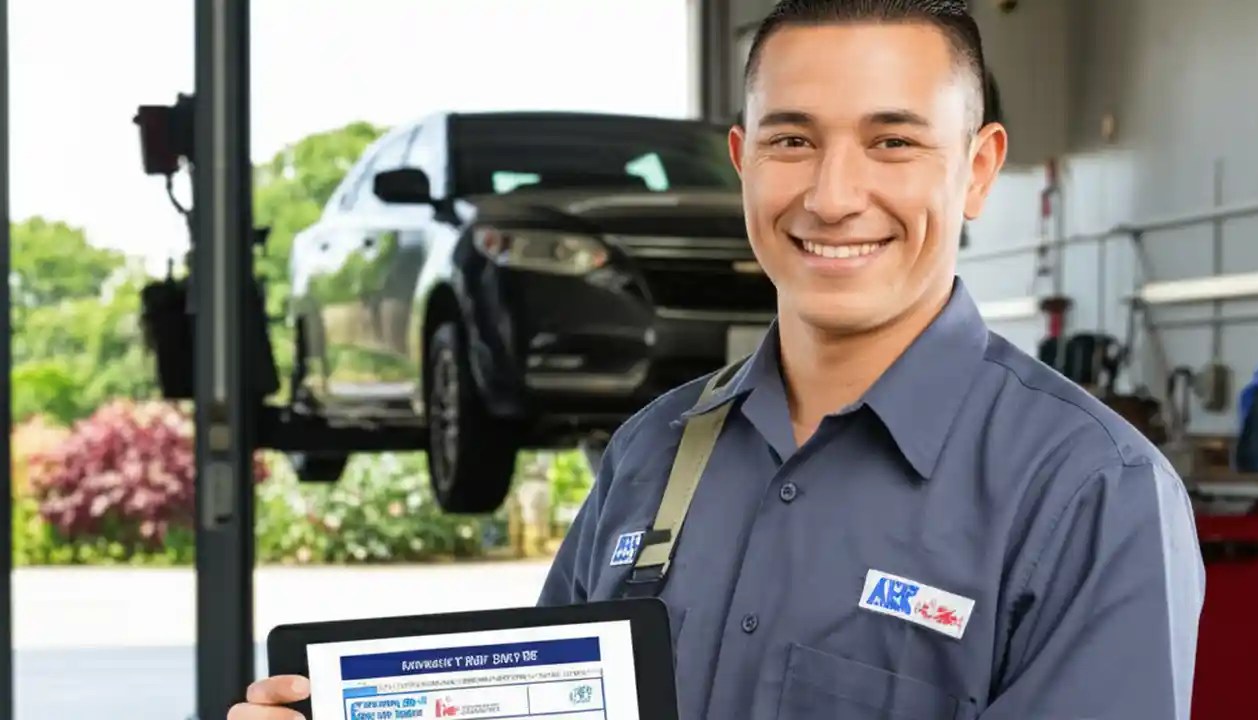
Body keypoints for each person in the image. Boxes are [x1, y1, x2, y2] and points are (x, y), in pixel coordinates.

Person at [231, 1, 1205, 718]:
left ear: (977, 169)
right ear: (742, 161)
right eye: (792, 140)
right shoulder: (649, 456)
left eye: (891, 143)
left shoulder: (1089, 494)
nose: (831, 195)